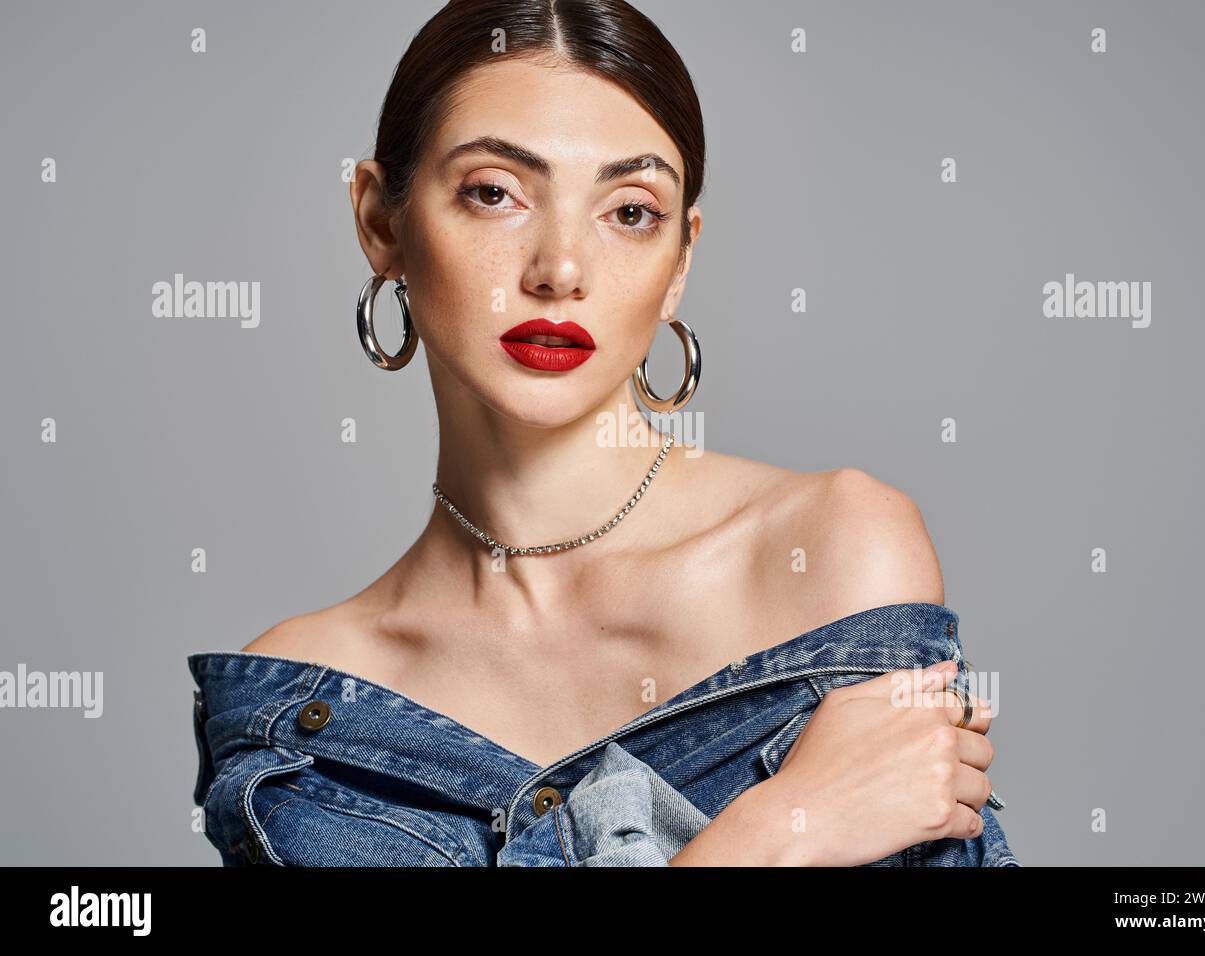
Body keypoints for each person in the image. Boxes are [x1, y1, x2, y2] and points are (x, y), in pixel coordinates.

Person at [189, 0, 1016, 867]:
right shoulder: (304, 710)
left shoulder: (832, 552)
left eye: (629, 211)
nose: (560, 271)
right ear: (380, 221)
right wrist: (770, 838)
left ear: (680, 262)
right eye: (494, 193)